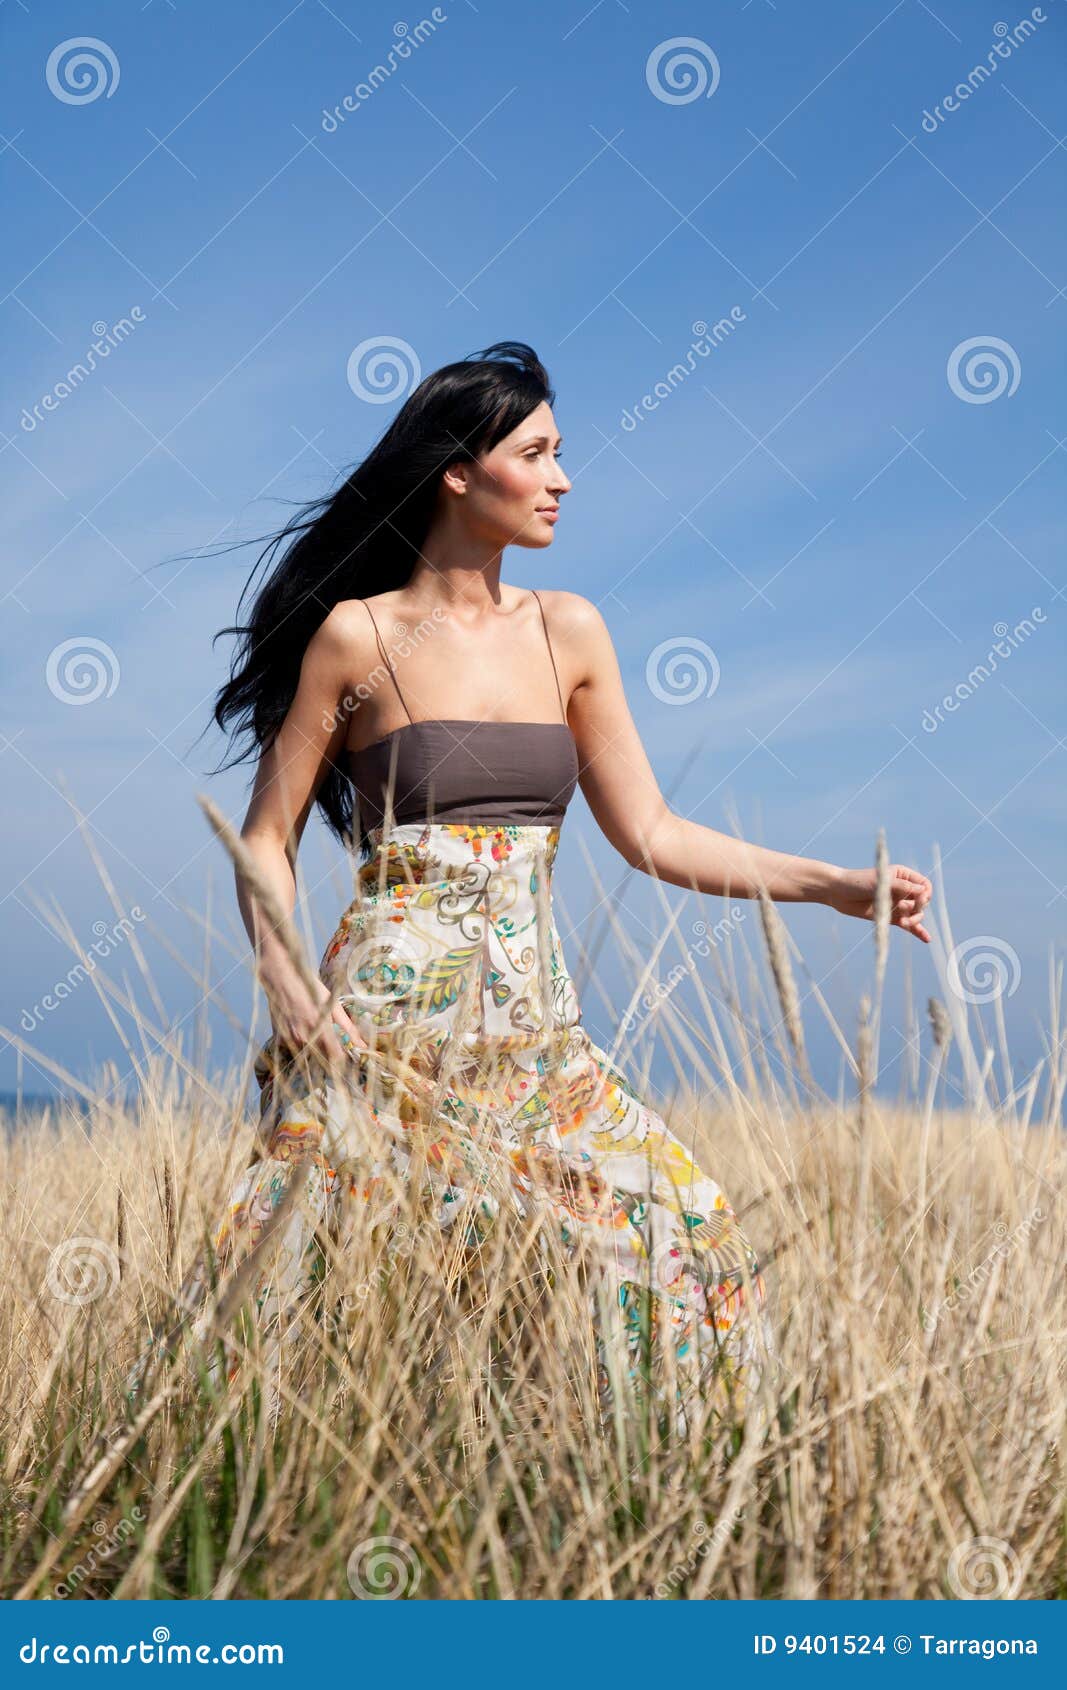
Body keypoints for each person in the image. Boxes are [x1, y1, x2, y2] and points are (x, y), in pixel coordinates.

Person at [128, 341, 932, 1429]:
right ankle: (203, 1505)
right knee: (295, 1280)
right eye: (537, 452)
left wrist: (830, 883)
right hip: (378, 1029)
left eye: (560, 454)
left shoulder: (570, 631)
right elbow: (265, 838)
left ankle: (662, 1488)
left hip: (534, 1031)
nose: (562, 478)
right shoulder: (356, 635)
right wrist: (288, 988)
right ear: (457, 471)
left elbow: (649, 831)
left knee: (680, 1224)